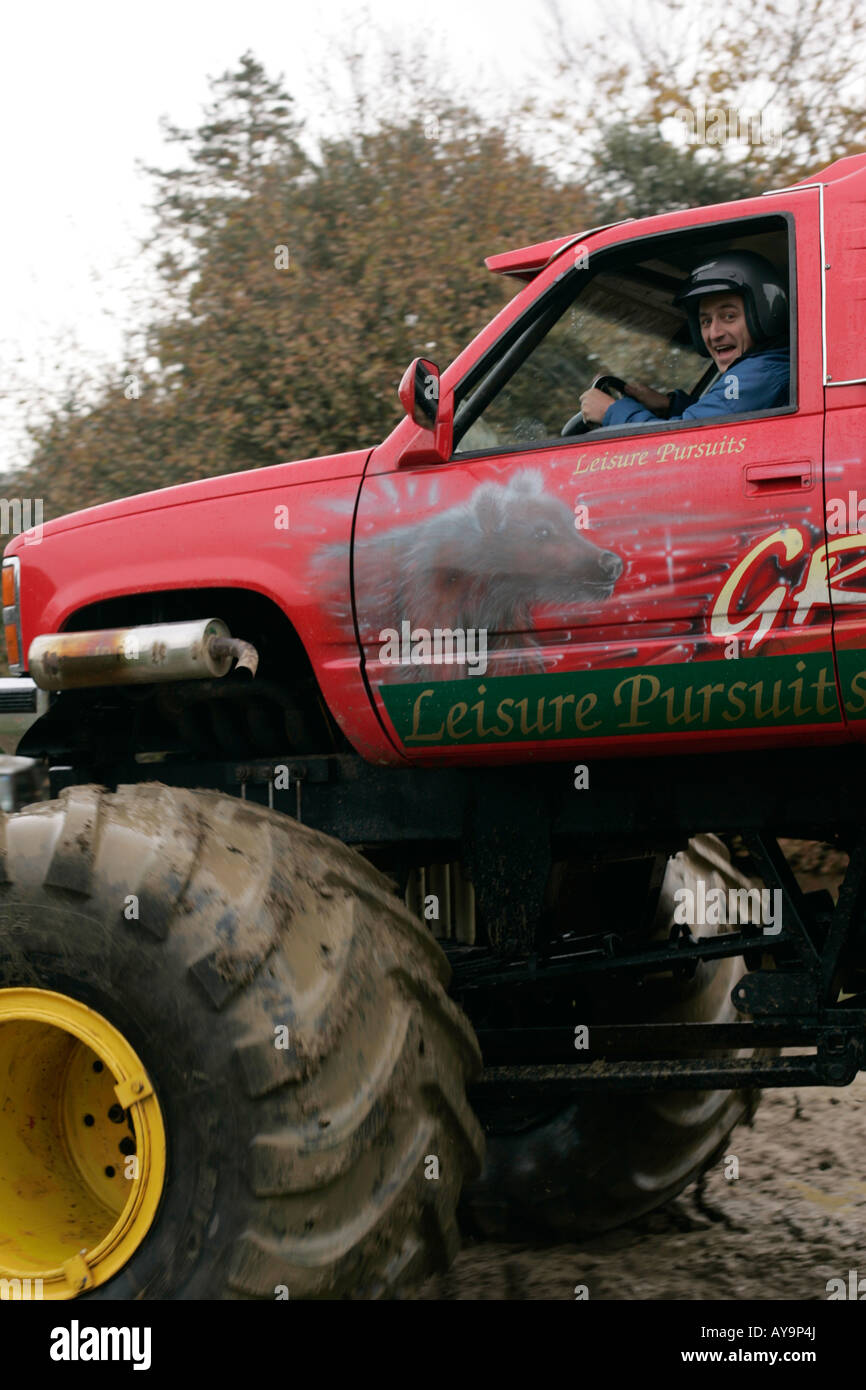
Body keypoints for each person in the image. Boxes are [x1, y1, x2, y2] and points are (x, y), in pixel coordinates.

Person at [578, 250, 790, 428]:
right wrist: (670, 406)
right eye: (705, 322)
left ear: (766, 313)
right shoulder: (767, 369)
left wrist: (611, 412)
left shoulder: (759, 373)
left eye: (728, 316)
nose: (714, 334)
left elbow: (680, 446)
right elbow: (720, 413)